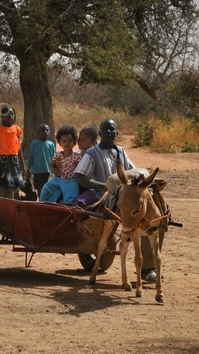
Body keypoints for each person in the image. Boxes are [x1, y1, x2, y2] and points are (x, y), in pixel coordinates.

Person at [74, 119, 158, 282]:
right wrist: (107, 186)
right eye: (105, 130)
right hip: (104, 198)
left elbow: (133, 172)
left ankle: (148, 267)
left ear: (117, 133)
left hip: (123, 199)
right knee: (136, 217)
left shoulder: (120, 151)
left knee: (148, 217)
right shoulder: (92, 153)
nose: (108, 133)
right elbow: (80, 177)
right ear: (100, 133)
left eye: (112, 130)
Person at [40, 125, 83, 204]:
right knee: (46, 188)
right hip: (57, 178)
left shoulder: (77, 156)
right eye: (64, 141)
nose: (67, 143)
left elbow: (79, 169)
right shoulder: (58, 155)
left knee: (71, 198)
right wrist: (55, 170)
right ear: (59, 143)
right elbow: (51, 164)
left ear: (74, 142)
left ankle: (68, 212)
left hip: (70, 180)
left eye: (69, 141)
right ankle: (42, 205)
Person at [0, 105, 27, 199]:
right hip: (3, 161)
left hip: (14, 161)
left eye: (12, 114)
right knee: (2, 184)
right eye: (8, 114)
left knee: (12, 185)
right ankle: (0, 203)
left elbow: (18, 147)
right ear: (3, 117)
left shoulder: (17, 129)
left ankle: (11, 204)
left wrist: (23, 165)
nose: (11, 116)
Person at [27, 124, 56, 195]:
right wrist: (28, 169)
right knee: (39, 188)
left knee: (46, 188)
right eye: (43, 130)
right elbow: (31, 156)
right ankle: (41, 202)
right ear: (39, 133)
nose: (45, 132)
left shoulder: (51, 144)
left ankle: (44, 202)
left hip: (47, 171)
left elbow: (54, 157)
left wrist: (55, 169)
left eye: (47, 130)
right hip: (37, 172)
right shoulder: (34, 143)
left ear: (49, 132)